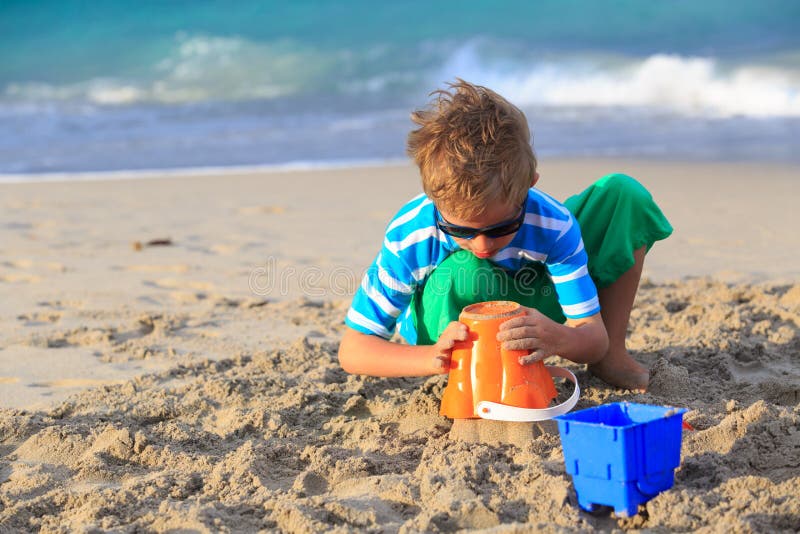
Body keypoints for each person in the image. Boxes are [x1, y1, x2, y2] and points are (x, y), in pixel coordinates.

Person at [338, 79, 672, 391]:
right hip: (447, 333)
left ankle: (611, 363)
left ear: (530, 185)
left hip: (531, 312)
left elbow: (591, 336)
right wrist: (430, 357)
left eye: (500, 228)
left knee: (621, 195)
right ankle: (478, 371)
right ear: (434, 199)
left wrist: (559, 337)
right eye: (460, 230)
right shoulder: (411, 233)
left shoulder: (554, 225)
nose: (482, 244)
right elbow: (354, 349)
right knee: (467, 268)